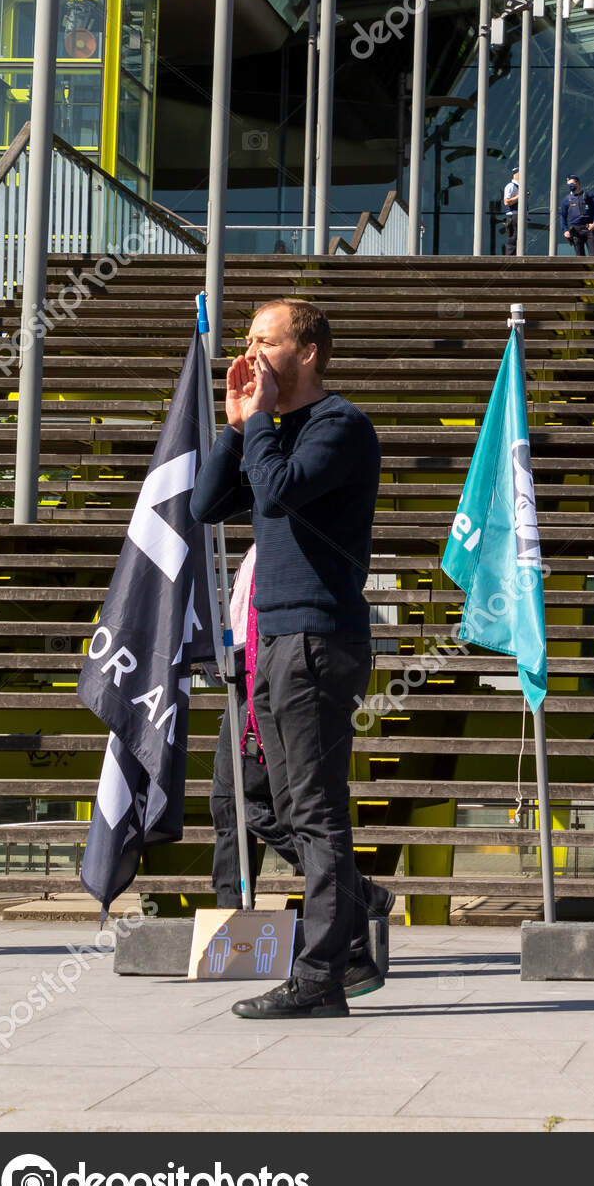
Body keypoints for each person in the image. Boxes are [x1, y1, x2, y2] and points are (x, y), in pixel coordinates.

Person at [192, 298, 383, 1020]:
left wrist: (262, 423)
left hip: (316, 640)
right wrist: (236, 427)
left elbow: (276, 490)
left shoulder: (339, 427)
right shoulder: (273, 431)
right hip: (272, 640)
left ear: (306, 352)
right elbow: (209, 505)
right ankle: (354, 939)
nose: (249, 352)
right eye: (246, 339)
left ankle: (321, 977)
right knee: (267, 799)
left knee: (315, 809)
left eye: (264, 340)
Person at [211, 545, 394, 948]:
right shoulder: (256, 549)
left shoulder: (287, 547)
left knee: (256, 805)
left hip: (269, 677)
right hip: (241, 677)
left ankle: (353, 891)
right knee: (228, 802)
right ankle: (228, 918)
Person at [559, 174, 594, 256]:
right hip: (575, 230)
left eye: (572, 184)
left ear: (577, 183)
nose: (570, 186)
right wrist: (565, 230)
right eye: (568, 184)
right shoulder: (566, 199)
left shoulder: (588, 196)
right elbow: (563, 216)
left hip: (589, 228)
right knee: (579, 256)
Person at [501, 170, 520, 256]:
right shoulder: (511, 186)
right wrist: (519, 196)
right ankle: (509, 259)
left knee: (518, 239)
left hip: (519, 215)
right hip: (513, 215)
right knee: (513, 239)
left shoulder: (520, 186)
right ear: (516, 174)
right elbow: (506, 202)